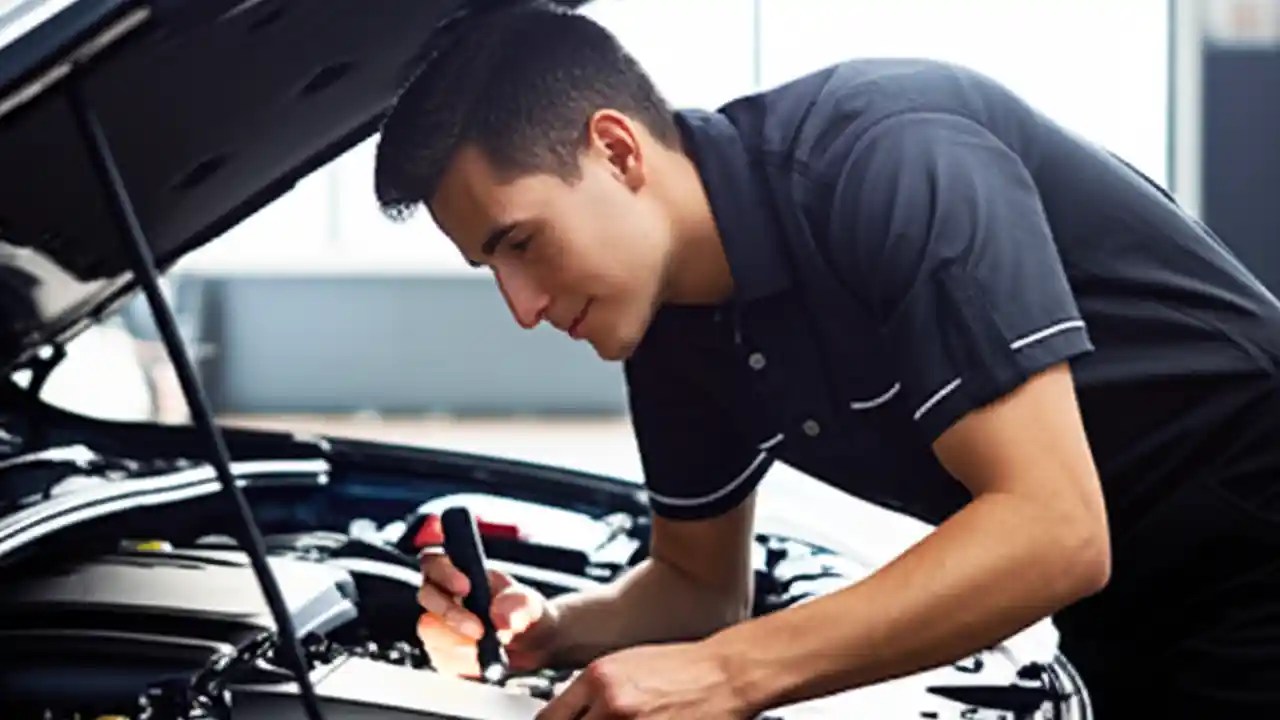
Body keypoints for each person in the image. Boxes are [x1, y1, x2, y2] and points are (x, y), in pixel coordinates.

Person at [373, 2, 1280, 717]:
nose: (521, 309)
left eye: (522, 243)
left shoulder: (890, 158)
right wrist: (548, 628)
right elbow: (699, 586)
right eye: (489, 268)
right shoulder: (671, 324)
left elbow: (1055, 531)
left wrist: (728, 676)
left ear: (616, 150)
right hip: (1131, 610)